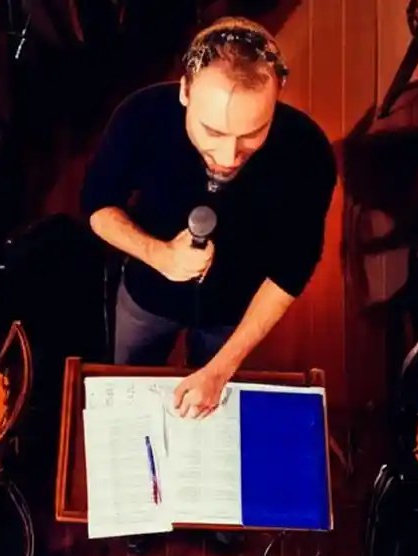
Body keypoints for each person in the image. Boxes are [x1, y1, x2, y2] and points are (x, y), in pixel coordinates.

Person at [82, 17, 336, 420]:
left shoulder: (308, 153)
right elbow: (97, 204)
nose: (228, 157)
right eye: (212, 131)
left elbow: (294, 266)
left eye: (253, 132)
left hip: (234, 310)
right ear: (185, 90)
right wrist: (159, 254)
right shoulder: (139, 117)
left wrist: (222, 368)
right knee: (130, 375)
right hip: (146, 295)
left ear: (278, 95)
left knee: (212, 381)